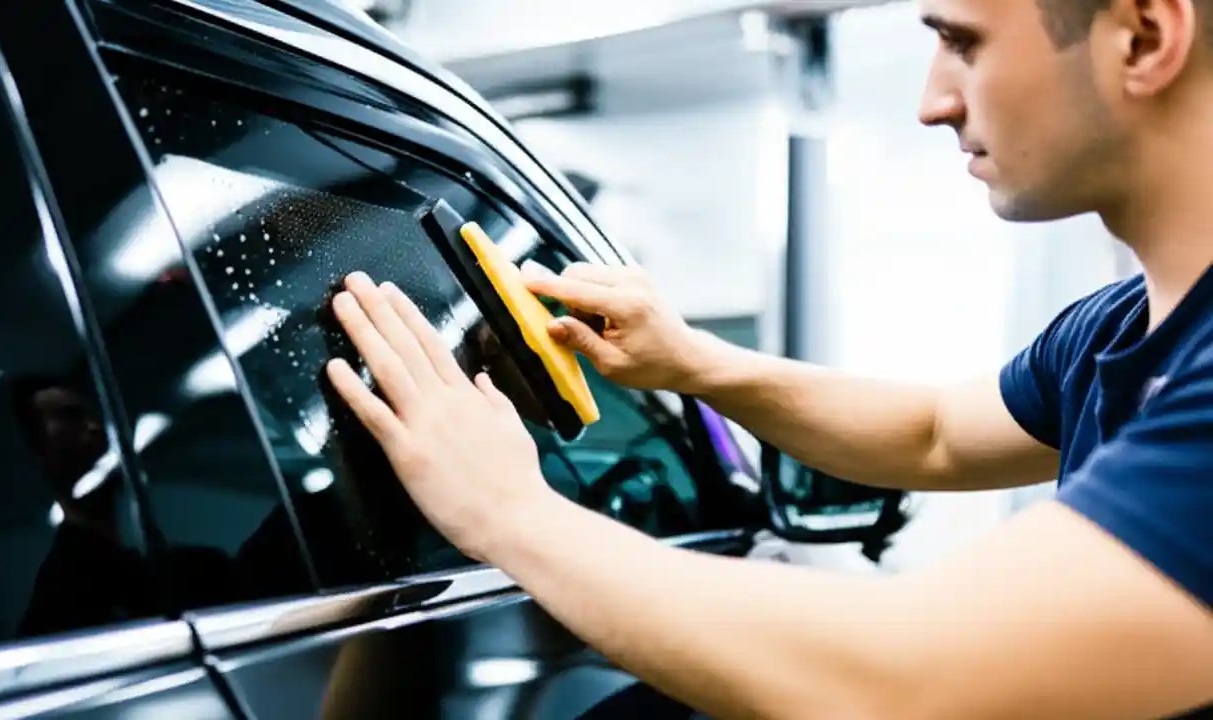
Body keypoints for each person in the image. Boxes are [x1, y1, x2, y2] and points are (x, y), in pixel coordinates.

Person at [322, 0, 1213, 717]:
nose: (933, 102)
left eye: (964, 44)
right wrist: (693, 363)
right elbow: (935, 433)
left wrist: (507, 510)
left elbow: (916, 681)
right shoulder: (1115, 328)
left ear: (1141, 37)